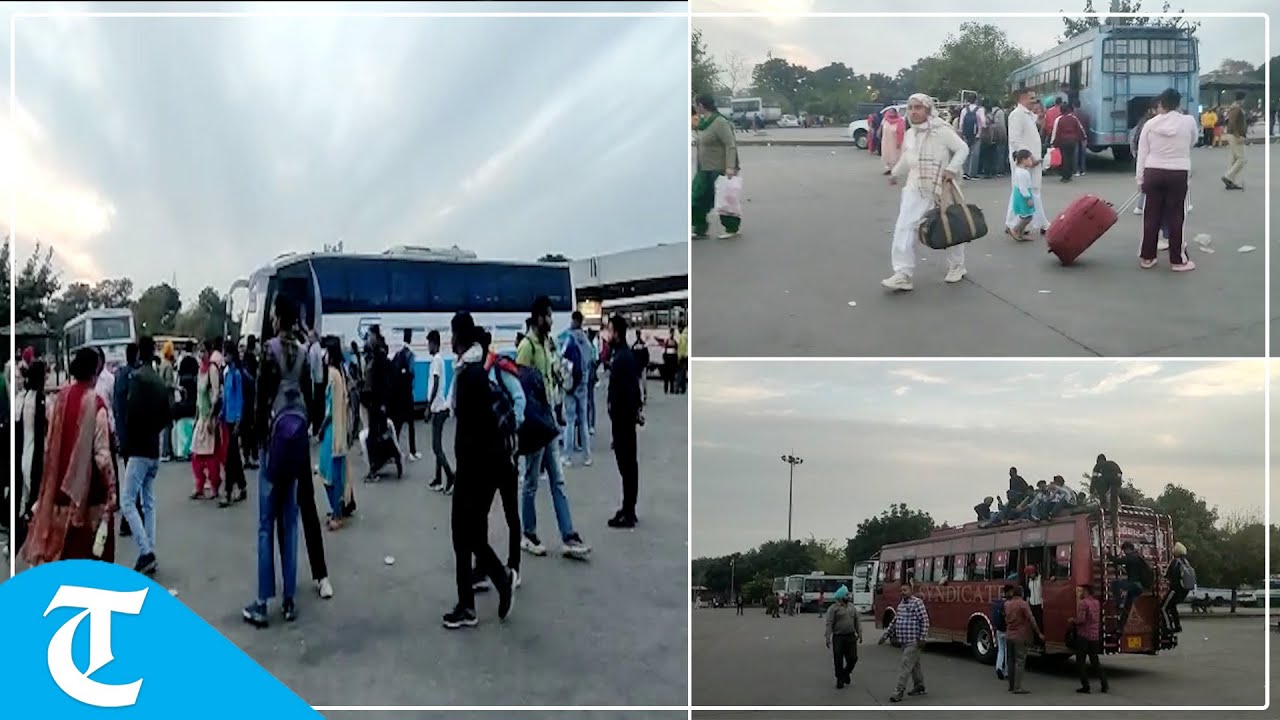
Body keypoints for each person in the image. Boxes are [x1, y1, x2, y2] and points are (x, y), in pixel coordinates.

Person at [444, 312, 517, 629]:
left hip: (474, 469)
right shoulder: (471, 371)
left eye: (451, 335)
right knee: (465, 536)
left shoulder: (470, 375)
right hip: (477, 467)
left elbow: (477, 427)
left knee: (465, 534)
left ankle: (490, 586)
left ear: (459, 338)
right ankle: (474, 598)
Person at [243, 295, 308, 628]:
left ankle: (261, 602)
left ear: (276, 317)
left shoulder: (268, 351)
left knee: (266, 524)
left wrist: (255, 442)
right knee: (290, 523)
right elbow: (310, 400)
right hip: (295, 446)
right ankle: (289, 599)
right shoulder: (303, 353)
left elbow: (259, 402)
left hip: (273, 444)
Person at [21, 348, 118, 566]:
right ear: (95, 371)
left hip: (58, 498)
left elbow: (50, 445)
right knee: (92, 565)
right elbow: (102, 457)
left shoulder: (60, 399)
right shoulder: (96, 404)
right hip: (89, 500)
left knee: (63, 562)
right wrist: (111, 491)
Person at [516, 297, 591, 559]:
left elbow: (556, 373)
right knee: (531, 482)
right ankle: (529, 533)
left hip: (549, 420)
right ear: (538, 317)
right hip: (536, 424)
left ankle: (568, 536)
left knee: (557, 481)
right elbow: (520, 388)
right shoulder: (526, 347)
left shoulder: (548, 344)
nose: (550, 320)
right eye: (547, 315)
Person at [882, 93, 971, 292]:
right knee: (904, 228)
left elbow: (962, 149)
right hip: (915, 188)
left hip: (942, 187)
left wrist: (952, 169)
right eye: (911, 108)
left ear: (928, 109)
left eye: (918, 107)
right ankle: (903, 273)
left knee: (950, 227)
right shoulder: (911, 133)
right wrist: (895, 173)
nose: (913, 112)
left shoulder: (941, 130)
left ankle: (957, 265)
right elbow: (907, 157)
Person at [120, 336, 170, 575]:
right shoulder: (159, 381)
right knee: (148, 502)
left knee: (128, 501)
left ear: (140, 353)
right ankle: (149, 549)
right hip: (153, 447)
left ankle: (145, 551)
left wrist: (127, 443)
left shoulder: (137, 379)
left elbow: (130, 414)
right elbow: (165, 417)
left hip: (138, 449)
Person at [1136, 88, 1197, 271]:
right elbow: (1193, 141)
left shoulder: (1150, 124)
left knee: (1151, 216)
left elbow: (1142, 153)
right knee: (1176, 216)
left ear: (1161, 103)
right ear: (1178, 104)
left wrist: (1140, 179)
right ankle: (1177, 260)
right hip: (1178, 172)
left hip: (1153, 171)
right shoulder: (1188, 121)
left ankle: (1147, 257)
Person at [606, 315, 644, 529]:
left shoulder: (622, 358)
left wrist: (626, 416)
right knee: (628, 467)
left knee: (627, 467)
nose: (607, 334)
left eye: (610, 330)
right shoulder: (622, 356)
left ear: (617, 333)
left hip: (623, 422)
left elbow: (628, 392)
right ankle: (628, 507)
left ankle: (629, 512)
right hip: (622, 421)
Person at [691, 93, 741, 240]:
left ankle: (731, 228)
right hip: (704, 168)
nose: (694, 107)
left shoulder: (719, 122)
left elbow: (730, 144)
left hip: (718, 168)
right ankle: (700, 228)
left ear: (701, 106)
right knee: (697, 198)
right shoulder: (703, 122)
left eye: (695, 104)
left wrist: (730, 167)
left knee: (724, 199)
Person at [1006, 87, 1050, 236]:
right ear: (1022, 99)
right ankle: (1042, 224)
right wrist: (1028, 158)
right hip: (1025, 161)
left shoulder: (1027, 115)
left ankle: (1012, 223)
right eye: (1031, 98)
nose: (1034, 101)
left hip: (1029, 160)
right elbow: (1015, 139)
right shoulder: (1017, 115)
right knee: (1032, 191)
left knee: (1021, 191)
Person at [319, 341, 353, 531]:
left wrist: (321, 428)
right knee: (335, 473)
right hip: (339, 431)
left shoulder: (333, 374)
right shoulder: (340, 372)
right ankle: (336, 510)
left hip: (333, 432)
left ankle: (338, 514)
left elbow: (330, 409)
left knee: (329, 473)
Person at [15, 360, 49, 550]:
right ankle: (22, 545)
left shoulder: (24, 398)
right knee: (35, 508)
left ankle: (16, 544)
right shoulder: (40, 401)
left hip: (24, 457)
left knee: (29, 505)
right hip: (36, 459)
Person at [880, 582, 929, 703]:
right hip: (904, 641)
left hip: (914, 641)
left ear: (911, 590)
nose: (902, 592)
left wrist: (922, 637)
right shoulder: (901, 605)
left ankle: (898, 691)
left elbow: (925, 620)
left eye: (905, 590)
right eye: (901, 590)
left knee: (905, 665)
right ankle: (919, 686)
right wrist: (885, 635)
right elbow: (895, 622)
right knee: (914, 665)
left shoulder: (917, 603)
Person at [190, 341, 224, 500]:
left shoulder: (212, 369)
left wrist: (211, 418)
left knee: (211, 455)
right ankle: (199, 485)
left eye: (203, 351)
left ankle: (215, 486)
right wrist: (197, 416)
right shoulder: (200, 370)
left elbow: (216, 395)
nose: (201, 354)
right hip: (201, 417)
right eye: (199, 351)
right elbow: (198, 396)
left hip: (209, 418)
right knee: (196, 454)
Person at [561, 311, 594, 467]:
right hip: (583, 385)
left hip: (570, 385)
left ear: (574, 320)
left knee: (569, 421)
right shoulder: (586, 340)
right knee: (583, 422)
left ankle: (567, 456)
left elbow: (562, 358)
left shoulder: (569, 338)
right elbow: (592, 359)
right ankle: (587, 456)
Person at [425, 330, 456, 493]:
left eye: (429, 343)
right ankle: (438, 479)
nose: (428, 346)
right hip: (439, 407)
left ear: (435, 344)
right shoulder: (439, 360)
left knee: (436, 447)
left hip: (438, 408)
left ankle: (450, 476)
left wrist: (428, 406)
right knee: (437, 445)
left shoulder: (437, 361)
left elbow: (435, 384)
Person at [219, 342, 248, 508]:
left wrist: (238, 418)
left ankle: (228, 491)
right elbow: (226, 397)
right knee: (235, 456)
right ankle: (242, 485)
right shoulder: (227, 374)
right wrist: (221, 413)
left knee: (230, 457)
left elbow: (239, 399)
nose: (225, 357)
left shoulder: (237, 374)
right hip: (227, 419)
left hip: (235, 420)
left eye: (227, 354)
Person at [1069, 583, 1108, 694]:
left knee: (1080, 662)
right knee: (1095, 661)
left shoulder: (1083, 603)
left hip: (1084, 636)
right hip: (1094, 636)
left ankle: (1086, 686)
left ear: (1086, 592)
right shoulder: (1096, 603)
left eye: (1082, 591)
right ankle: (1104, 683)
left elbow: (1081, 619)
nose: (1081, 593)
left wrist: (1072, 620)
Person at [1003, 585, 1043, 694]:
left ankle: (1011, 685)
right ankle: (1018, 687)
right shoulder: (1023, 604)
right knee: (1020, 661)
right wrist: (1038, 633)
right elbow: (1031, 619)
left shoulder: (1007, 604)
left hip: (1009, 635)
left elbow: (1005, 618)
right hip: (1020, 636)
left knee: (1010, 661)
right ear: (1021, 594)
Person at [824, 585, 863, 689]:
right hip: (838, 637)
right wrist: (827, 637)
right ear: (841, 596)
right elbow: (829, 623)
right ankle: (840, 678)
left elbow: (857, 621)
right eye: (846, 594)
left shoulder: (852, 607)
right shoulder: (833, 608)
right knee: (838, 660)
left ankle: (846, 673)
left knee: (853, 658)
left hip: (851, 637)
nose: (848, 596)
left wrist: (860, 633)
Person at [1110, 541, 1153, 634]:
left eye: (1124, 551)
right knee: (1127, 606)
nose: (1124, 553)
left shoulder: (1131, 557)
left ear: (1128, 549)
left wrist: (1108, 553)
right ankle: (1120, 628)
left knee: (1115, 583)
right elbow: (1135, 571)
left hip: (1134, 585)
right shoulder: (1139, 557)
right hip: (1139, 587)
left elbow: (1116, 561)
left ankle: (1119, 603)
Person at [391, 329, 420, 461]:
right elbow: (412, 372)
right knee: (411, 425)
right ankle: (412, 452)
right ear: (411, 338)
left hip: (399, 394)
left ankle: (393, 450)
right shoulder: (410, 354)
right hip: (408, 394)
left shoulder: (399, 353)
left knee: (398, 424)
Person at [1005, 149, 1038, 240]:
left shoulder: (1020, 170)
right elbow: (1022, 187)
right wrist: (1028, 198)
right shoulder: (1023, 173)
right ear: (1023, 160)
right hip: (1023, 195)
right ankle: (1016, 230)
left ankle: (1020, 233)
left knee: (1026, 215)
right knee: (1027, 216)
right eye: (1029, 159)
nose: (1031, 161)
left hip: (1022, 193)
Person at [1161, 541, 1194, 633]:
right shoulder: (1186, 562)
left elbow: (1167, 575)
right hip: (1184, 590)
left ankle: (1168, 627)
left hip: (1175, 589)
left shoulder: (1175, 562)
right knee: (1172, 606)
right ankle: (1177, 626)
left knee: (1163, 607)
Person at [1048, 103, 1085, 182]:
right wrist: (1082, 138)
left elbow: (1055, 131)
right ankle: (1069, 175)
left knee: (1065, 158)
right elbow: (1080, 129)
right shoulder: (1074, 118)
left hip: (1063, 141)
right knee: (1071, 157)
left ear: (1061, 110)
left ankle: (1065, 176)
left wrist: (1053, 142)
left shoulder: (1059, 119)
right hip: (1072, 141)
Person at [240, 335, 260, 470]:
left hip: (244, 398)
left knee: (245, 429)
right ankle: (253, 457)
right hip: (252, 398)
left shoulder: (244, 360)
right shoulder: (254, 360)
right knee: (252, 429)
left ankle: (246, 457)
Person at [1221, 90, 1247, 190]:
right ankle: (1228, 177)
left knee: (1234, 159)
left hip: (1231, 134)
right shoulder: (1237, 109)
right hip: (1235, 135)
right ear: (1242, 99)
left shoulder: (1233, 108)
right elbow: (1233, 123)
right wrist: (1238, 135)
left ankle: (1232, 181)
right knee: (1242, 159)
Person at [957, 94, 984, 180]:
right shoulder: (980, 109)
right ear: (976, 100)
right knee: (974, 154)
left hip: (966, 134)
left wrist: (961, 132)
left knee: (966, 152)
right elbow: (983, 122)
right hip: (977, 134)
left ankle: (965, 172)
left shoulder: (964, 110)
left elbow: (961, 123)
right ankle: (972, 173)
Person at [306, 330, 327, 439]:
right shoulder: (319, 347)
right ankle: (318, 428)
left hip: (315, 382)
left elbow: (311, 368)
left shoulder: (313, 349)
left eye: (310, 337)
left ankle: (314, 429)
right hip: (321, 381)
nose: (309, 339)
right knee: (320, 407)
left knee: (313, 407)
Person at [992, 585, 1012, 681]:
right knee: (1008, 651)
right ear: (1008, 592)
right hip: (1007, 630)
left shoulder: (998, 602)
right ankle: (1007, 672)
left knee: (1001, 650)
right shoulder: (1008, 603)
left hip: (999, 630)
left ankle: (999, 668)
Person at [880, 107, 906, 175]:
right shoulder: (885, 120)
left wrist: (899, 142)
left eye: (892, 112)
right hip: (886, 140)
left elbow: (902, 132)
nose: (891, 113)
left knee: (895, 155)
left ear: (895, 113)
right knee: (887, 154)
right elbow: (881, 128)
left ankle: (896, 169)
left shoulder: (900, 121)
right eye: (890, 112)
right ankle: (888, 168)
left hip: (895, 141)